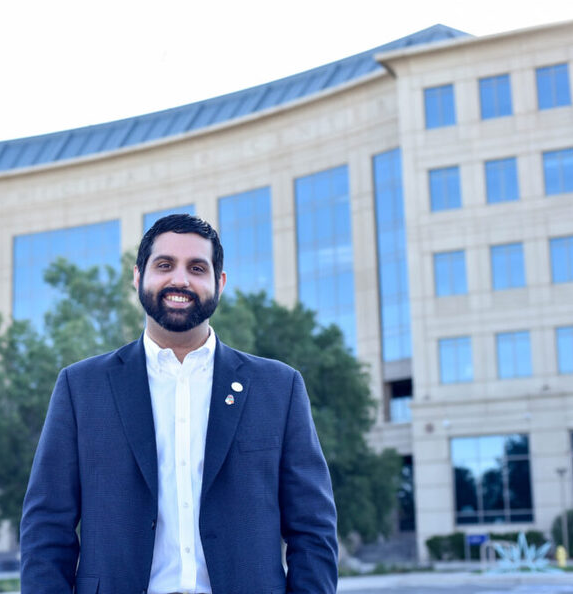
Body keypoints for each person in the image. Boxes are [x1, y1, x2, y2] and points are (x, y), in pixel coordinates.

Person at [20, 214, 338, 594]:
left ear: (218, 283)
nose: (180, 280)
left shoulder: (279, 387)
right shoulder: (81, 387)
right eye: (165, 265)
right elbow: (46, 528)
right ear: (139, 277)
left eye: (197, 268)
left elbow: (313, 529)